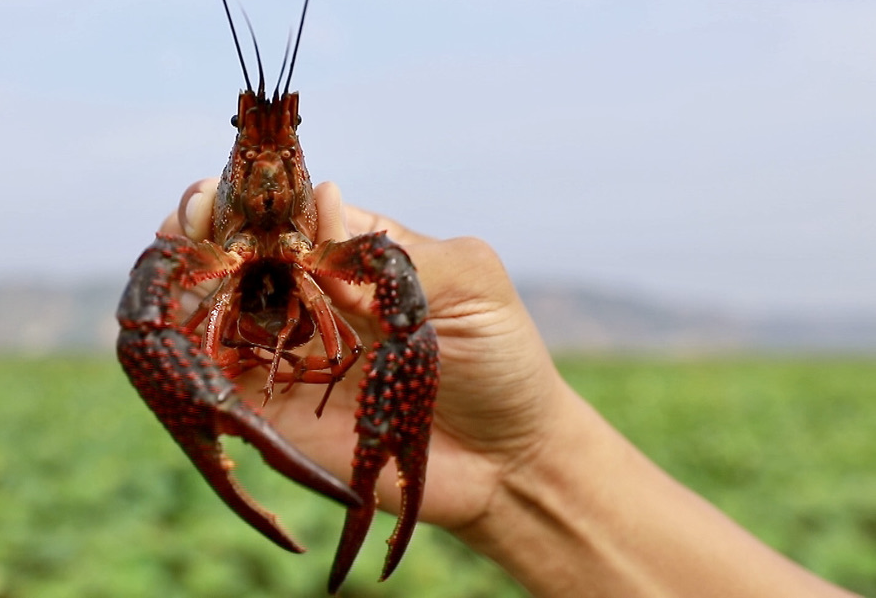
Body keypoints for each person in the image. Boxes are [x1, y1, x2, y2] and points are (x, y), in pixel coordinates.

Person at [159, 178, 859, 597]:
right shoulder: (212, 247)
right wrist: (519, 470)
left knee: (379, 297)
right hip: (257, 322)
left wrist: (515, 461)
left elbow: (372, 311)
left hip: (322, 318)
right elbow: (151, 316)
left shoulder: (349, 260)